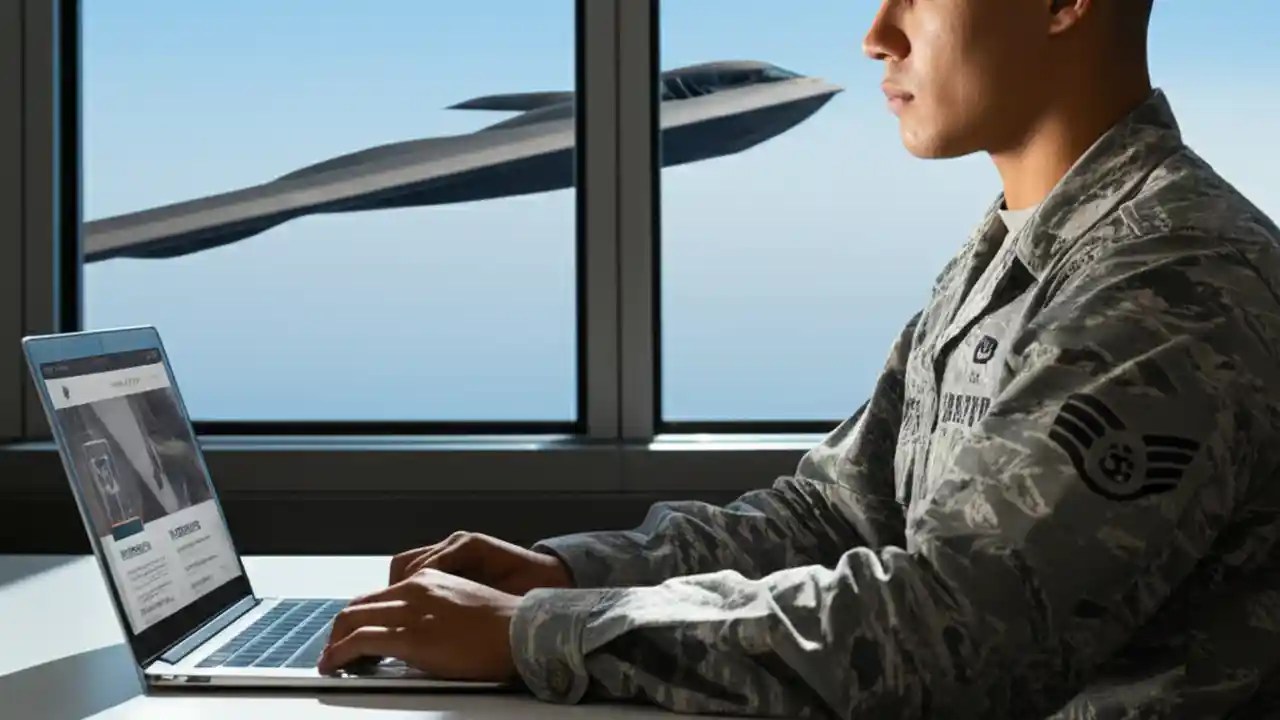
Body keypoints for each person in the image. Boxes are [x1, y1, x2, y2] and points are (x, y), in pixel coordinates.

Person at [319, 0, 1280, 717]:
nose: (878, 34)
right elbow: (833, 513)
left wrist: (536, 635)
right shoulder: (1018, 254)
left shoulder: (1174, 280)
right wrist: (560, 576)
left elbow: (963, 629)